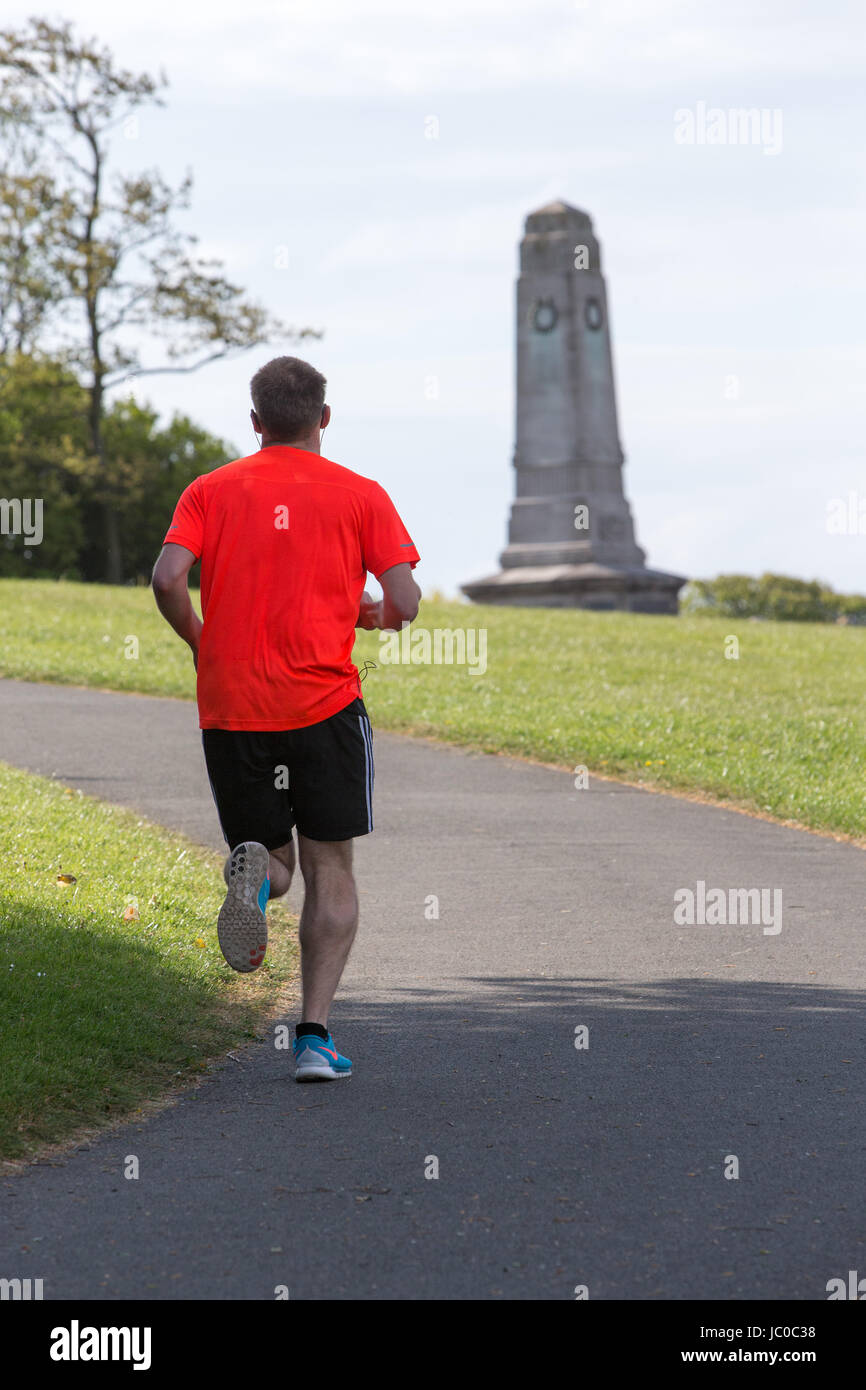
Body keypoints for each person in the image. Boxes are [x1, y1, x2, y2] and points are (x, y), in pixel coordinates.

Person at [151, 356, 421, 1081]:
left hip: (234, 706)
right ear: (324, 419)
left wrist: (203, 642)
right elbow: (407, 598)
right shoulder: (360, 495)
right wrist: (378, 615)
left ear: (255, 421)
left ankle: (256, 883)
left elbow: (168, 577)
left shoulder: (210, 490)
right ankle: (312, 1040)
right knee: (331, 867)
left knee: (273, 858)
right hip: (323, 706)